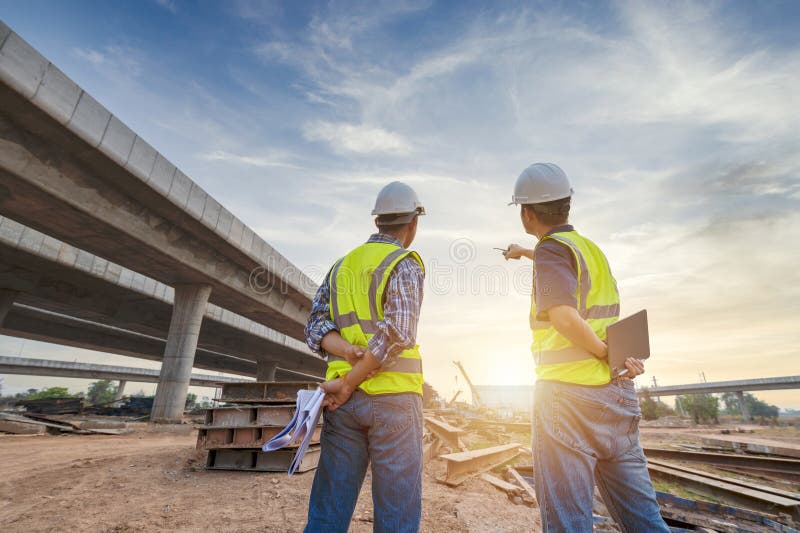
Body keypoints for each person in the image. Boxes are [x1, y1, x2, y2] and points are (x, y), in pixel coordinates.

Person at [504, 163, 669, 532]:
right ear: (567, 205)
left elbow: (563, 315)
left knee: (568, 520)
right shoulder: (588, 249)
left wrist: (601, 351)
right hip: (617, 393)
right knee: (643, 519)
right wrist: (525, 253)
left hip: (569, 396)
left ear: (526, 212)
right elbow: (567, 276)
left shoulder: (551, 250)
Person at [303, 181, 426, 533]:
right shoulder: (404, 262)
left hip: (344, 405)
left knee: (329, 507)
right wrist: (350, 380)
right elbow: (398, 332)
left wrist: (345, 356)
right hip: (394, 400)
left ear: (377, 222)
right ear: (413, 223)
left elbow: (315, 325)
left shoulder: (341, 266)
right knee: (397, 513)